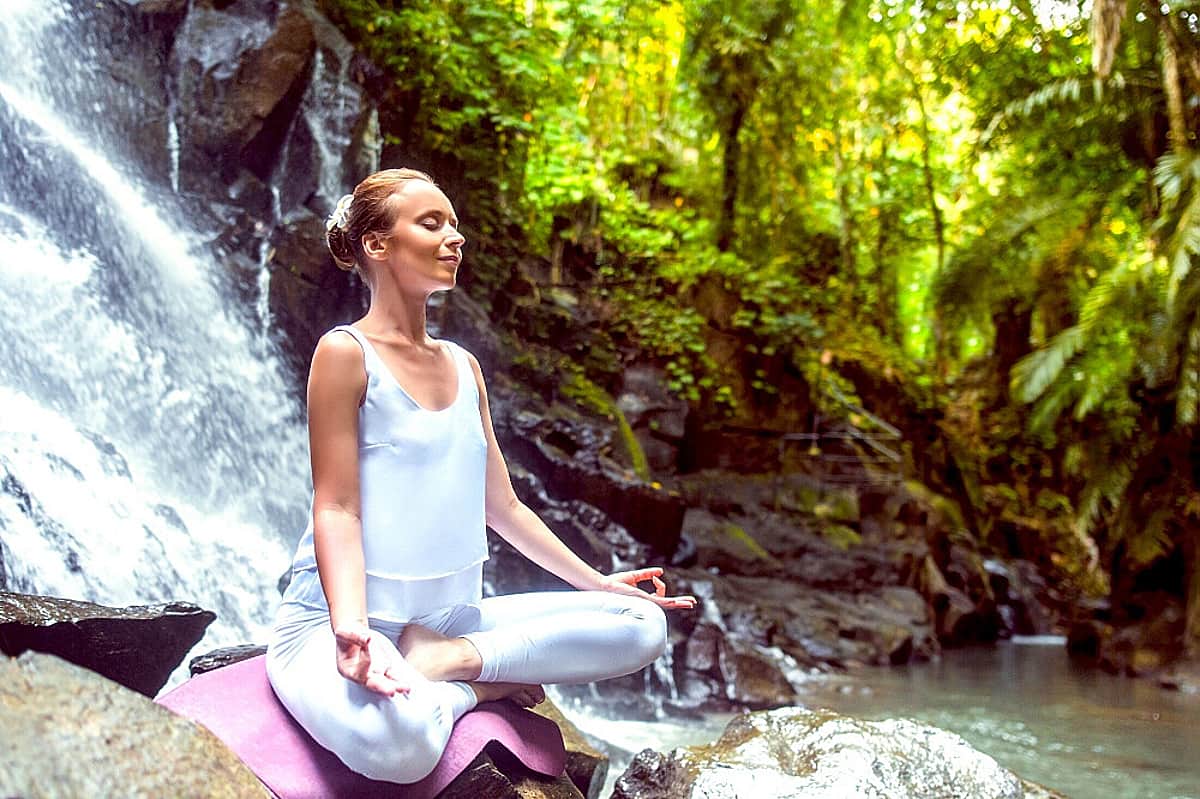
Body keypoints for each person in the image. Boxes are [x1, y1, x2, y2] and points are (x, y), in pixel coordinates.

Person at [265, 168, 696, 785]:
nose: (455, 237)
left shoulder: (465, 366)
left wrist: (598, 582)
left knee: (642, 625)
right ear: (377, 245)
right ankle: (482, 689)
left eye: (456, 224)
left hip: (453, 623)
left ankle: (453, 662)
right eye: (432, 223)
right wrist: (351, 629)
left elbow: (505, 507)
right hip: (340, 623)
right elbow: (335, 509)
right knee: (401, 752)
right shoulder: (345, 354)